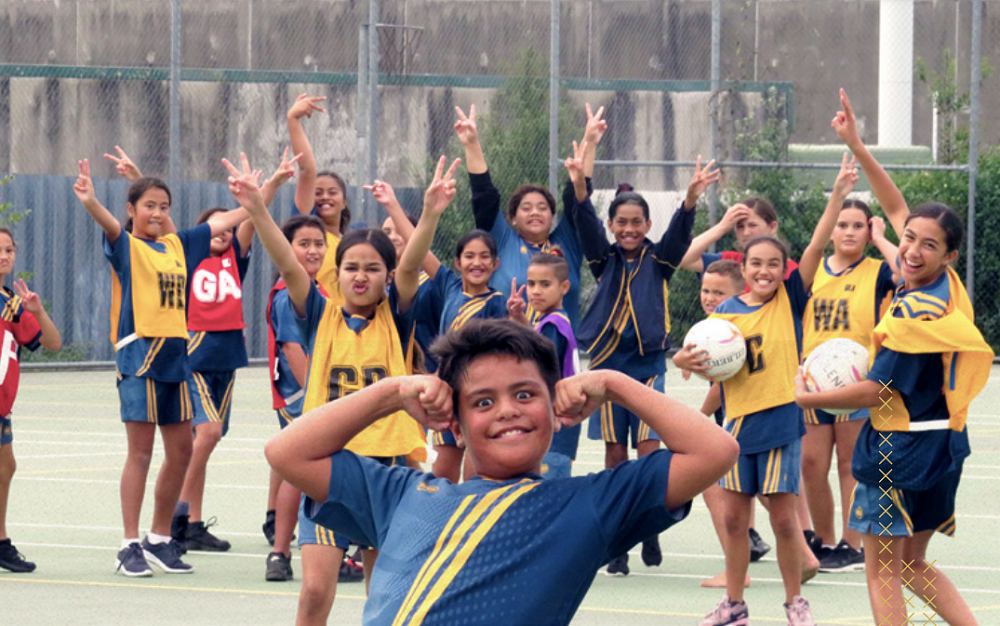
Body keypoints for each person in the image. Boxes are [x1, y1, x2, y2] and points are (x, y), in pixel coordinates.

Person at [264, 318, 740, 625]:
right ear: (456, 423)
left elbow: (715, 450)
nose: (508, 411)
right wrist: (392, 392)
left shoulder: (588, 506)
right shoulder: (403, 494)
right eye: (484, 402)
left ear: (556, 409)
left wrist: (613, 383)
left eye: (527, 394)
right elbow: (287, 452)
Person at [794, 89, 993, 626]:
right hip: (944, 445)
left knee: (880, 572)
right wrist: (856, 145)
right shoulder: (949, 287)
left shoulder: (913, 316)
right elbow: (897, 206)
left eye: (928, 245)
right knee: (912, 566)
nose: (912, 249)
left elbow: (875, 392)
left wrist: (806, 396)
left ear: (948, 255)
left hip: (895, 453)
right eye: (909, 239)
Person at [228, 153, 453, 624]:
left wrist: (428, 214)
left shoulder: (400, 314)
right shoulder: (319, 311)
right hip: (328, 464)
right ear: (337, 271)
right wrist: (256, 209)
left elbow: (413, 265)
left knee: (384, 594)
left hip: (387, 468)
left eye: (373, 268)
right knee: (314, 590)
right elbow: (289, 264)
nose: (360, 276)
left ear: (386, 277)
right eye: (351, 266)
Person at [684, 166, 854, 624]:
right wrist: (685, 364)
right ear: (743, 267)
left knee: (782, 523)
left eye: (773, 264)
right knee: (736, 523)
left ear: (785, 272)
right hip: (737, 429)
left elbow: (817, 244)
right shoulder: (726, 317)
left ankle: (794, 602)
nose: (764, 270)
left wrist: (837, 193)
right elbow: (705, 366)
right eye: (755, 263)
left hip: (779, 424)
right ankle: (735, 605)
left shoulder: (790, 300)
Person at [73, 158, 250, 577]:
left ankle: (159, 539)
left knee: (182, 451)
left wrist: (258, 196)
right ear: (131, 209)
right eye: (149, 205)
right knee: (140, 452)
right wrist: (91, 201)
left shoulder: (178, 246)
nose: (157, 213)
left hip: (177, 357)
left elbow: (224, 221)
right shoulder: (127, 247)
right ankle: (129, 544)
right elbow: (111, 224)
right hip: (140, 357)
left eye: (164, 206)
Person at [565, 137, 718, 575]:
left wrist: (690, 199)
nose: (629, 229)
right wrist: (579, 185)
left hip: (649, 371)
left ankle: (648, 526)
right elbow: (583, 224)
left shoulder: (661, 261)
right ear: (612, 226)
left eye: (637, 222)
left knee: (649, 452)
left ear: (648, 223)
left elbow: (679, 235)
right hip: (609, 370)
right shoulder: (602, 259)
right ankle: (619, 540)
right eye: (621, 222)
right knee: (616, 455)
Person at [173, 150, 299, 553]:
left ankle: (191, 523)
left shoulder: (234, 259)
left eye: (226, 230)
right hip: (193, 353)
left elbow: (249, 213)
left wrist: (275, 181)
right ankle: (175, 516)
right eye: (213, 229)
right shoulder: (188, 259)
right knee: (206, 433)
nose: (222, 234)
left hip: (227, 356)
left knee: (206, 441)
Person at [799, 154, 898, 574]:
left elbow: (905, 269)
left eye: (859, 225)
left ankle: (852, 543)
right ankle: (822, 540)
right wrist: (837, 197)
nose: (850, 231)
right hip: (814, 380)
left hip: (858, 379)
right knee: (810, 463)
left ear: (869, 229)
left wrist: (881, 238)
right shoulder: (813, 270)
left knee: (850, 462)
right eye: (843, 224)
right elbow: (813, 246)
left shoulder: (878, 271)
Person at [398, 180, 510, 482]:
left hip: (478, 392)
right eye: (469, 256)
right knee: (444, 470)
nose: (477, 262)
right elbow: (415, 243)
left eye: (484, 256)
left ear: (495, 263)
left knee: (476, 460)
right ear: (458, 262)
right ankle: (441, 522)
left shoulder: (498, 304)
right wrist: (391, 205)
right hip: (446, 390)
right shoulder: (448, 285)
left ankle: (473, 517)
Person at [454, 103, 594, 327]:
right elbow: (484, 197)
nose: (535, 212)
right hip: (510, 351)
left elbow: (577, 198)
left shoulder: (567, 242)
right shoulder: (502, 241)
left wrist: (590, 139)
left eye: (542, 207)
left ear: (552, 216)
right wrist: (472, 143)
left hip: (559, 354)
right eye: (526, 208)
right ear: (513, 218)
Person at [672, 259, 762, 588]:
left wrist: (699, 419)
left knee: (713, 488)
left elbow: (719, 386)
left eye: (719, 292)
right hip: (748, 419)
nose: (710, 297)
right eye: (706, 289)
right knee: (770, 493)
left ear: (740, 293)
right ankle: (806, 555)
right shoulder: (719, 325)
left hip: (744, 420)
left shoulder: (733, 327)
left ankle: (736, 571)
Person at [0, 229, 62, 573]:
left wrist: (36, 312)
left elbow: (53, 344)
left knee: (6, 467)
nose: (4, 255)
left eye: (9, 249)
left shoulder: (12, 301)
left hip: (2, 403)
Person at [507, 248, 580, 478]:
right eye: (531, 284)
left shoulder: (553, 326)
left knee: (547, 499)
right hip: (557, 430)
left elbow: (535, 367)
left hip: (554, 431)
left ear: (564, 288)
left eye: (545, 284)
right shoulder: (552, 322)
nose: (535, 291)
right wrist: (519, 319)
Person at [288, 93, 351, 298]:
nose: (325, 197)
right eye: (318, 193)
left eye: (332, 192)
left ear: (344, 202)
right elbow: (307, 170)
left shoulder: (353, 243)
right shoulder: (305, 227)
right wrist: (293, 120)